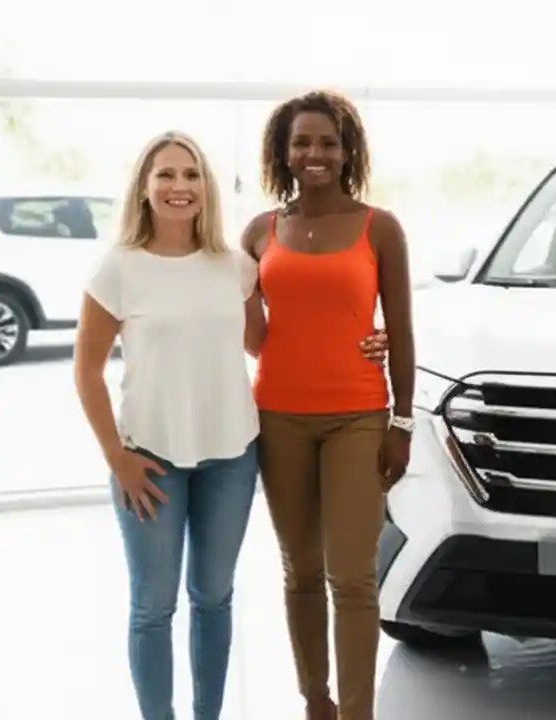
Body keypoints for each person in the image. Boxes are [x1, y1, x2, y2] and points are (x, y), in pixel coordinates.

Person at [73, 130, 385, 720]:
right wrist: (116, 457)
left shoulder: (235, 266)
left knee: (214, 598)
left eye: (191, 174)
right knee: (153, 606)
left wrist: (370, 339)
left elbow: (277, 337)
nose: (180, 186)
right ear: (143, 187)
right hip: (149, 459)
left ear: (207, 187)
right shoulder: (118, 268)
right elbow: (86, 372)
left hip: (231, 458)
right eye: (166, 174)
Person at [243, 89, 415, 720]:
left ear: (347, 152)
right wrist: (243, 297)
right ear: (282, 152)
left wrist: (402, 420)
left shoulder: (380, 227)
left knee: (352, 575)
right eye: (301, 142)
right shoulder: (259, 232)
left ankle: (357, 713)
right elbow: (257, 340)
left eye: (327, 142)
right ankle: (316, 700)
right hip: (277, 417)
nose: (313, 153)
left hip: (358, 417)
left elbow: (401, 329)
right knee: (300, 570)